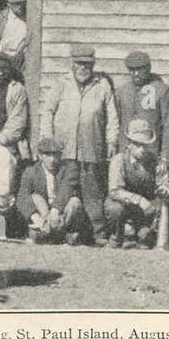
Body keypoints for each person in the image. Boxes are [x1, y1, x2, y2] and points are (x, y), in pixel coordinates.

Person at [40, 45, 119, 243]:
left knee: (92, 194)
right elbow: (48, 111)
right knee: (64, 192)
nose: (83, 69)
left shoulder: (102, 85)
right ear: (72, 64)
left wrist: (111, 140)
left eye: (87, 65)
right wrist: (47, 139)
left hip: (91, 149)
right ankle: (63, 232)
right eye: (79, 64)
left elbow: (112, 116)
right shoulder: (61, 83)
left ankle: (98, 234)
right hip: (64, 150)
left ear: (93, 66)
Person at [105, 118, 169, 249]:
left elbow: (167, 184)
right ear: (129, 144)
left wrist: (165, 190)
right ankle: (117, 236)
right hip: (126, 206)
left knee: (165, 206)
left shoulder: (156, 162)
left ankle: (144, 235)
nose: (142, 149)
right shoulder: (119, 160)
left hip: (146, 211)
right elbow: (114, 191)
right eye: (138, 144)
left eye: (145, 145)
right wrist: (139, 200)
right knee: (114, 208)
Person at [116, 51, 169, 180]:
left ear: (148, 68)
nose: (135, 74)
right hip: (126, 154)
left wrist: (166, 157)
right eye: (132, 70)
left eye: (140, 70)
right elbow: (116, 121)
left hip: (151, 153)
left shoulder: (161, 90)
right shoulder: (122, 91)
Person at [17, 137, 85, 244]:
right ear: (40, 156)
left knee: (75, 202)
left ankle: (50, 233)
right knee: (35, 197)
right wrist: (35, 217)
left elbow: (66, 189)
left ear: (61, 155)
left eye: (56, 155)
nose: (52, 160)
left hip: (61, 213)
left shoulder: (69, 168)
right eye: (48, 155)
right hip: (43, 212)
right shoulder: (31, 171)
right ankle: (58, 235)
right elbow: (22, 196)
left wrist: (55, 210)